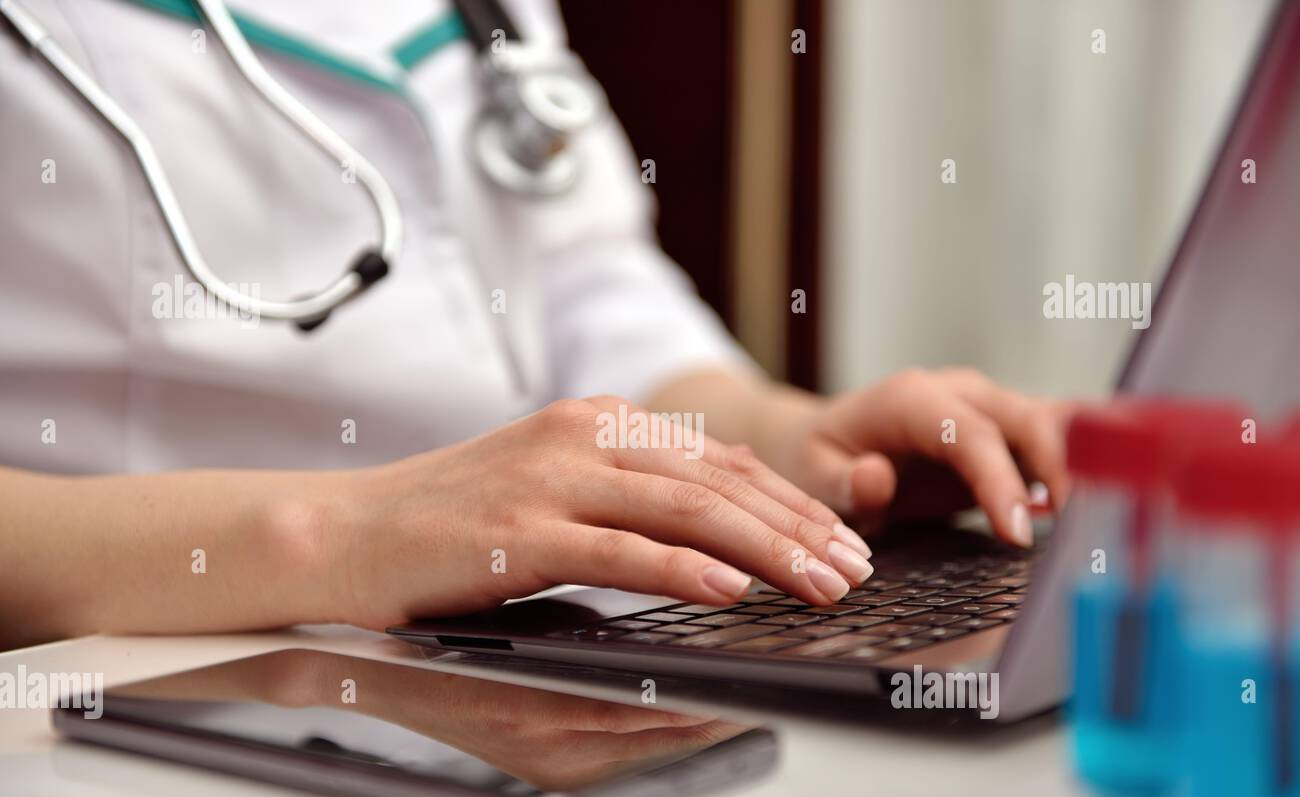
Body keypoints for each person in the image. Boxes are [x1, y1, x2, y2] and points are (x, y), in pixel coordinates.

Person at [0, 0, 1070, 649]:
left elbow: (582, 283)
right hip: (139, 685)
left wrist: (780, 444)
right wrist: (342, 533)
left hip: (523, 655)